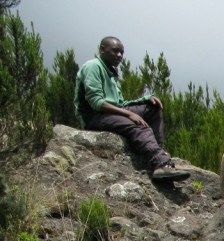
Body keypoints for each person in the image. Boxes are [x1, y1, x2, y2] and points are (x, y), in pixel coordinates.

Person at [74, 36, 189, 183]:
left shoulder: (110, 74)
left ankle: (157, 152)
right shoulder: (93, 66)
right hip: (94, 116)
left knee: (153, 108)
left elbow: (120, 103)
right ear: (102, 49)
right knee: (140, 126)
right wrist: (130, 114)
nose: (119, 56)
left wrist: (146, 99)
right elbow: (96, 102)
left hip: (109, 112)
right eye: (115, 51)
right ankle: (161, 164)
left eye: (122, 52)